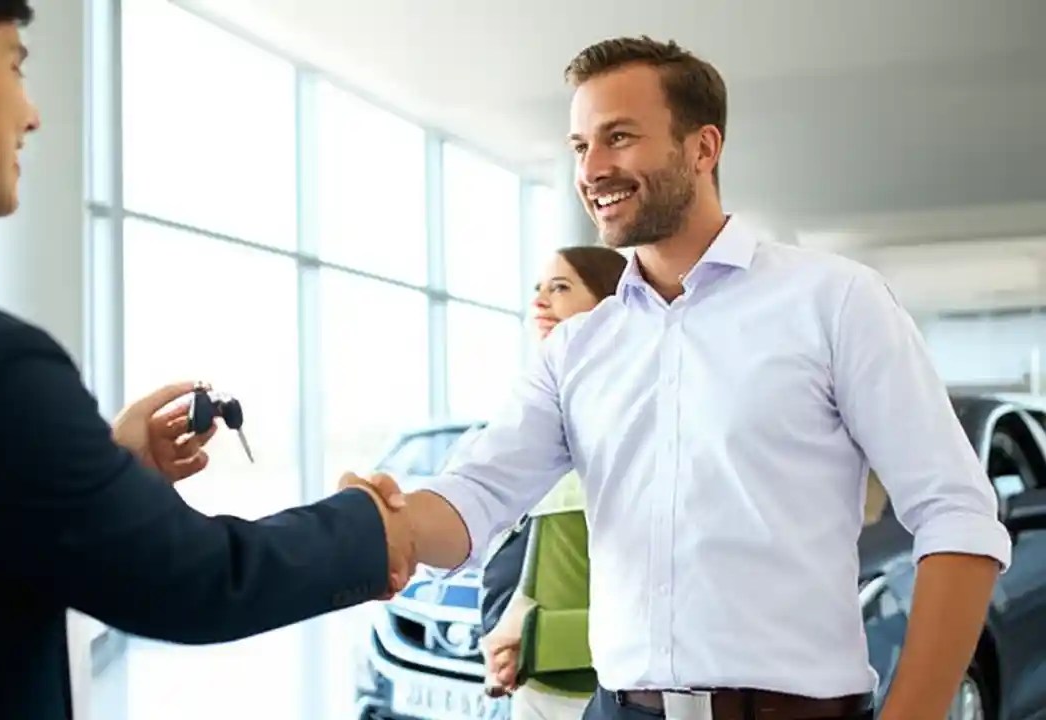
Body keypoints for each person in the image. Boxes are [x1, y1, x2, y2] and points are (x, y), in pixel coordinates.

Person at [0, 3, 414, 718]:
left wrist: (101, 470)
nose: (32, 114)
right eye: (14, 65)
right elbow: (191, 579)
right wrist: (367, 526)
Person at [348, 35, 1010, 720]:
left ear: (703, 148)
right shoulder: (577, 349)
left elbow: (956, 514)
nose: (592, 169)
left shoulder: (835, 300)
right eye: (580, 146)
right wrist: (384, 523)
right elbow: (477, 493)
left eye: (619, 137)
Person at [479, 246, 626, 720]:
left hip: (607, 691)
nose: (540, 301)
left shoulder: (634, 423)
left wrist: (537, 636)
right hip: (540, 687)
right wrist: (511, 634)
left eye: (560, 288)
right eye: (538, 289)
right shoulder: (549, 415)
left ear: (612, 305)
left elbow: (669, 607)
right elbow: (540, 561)